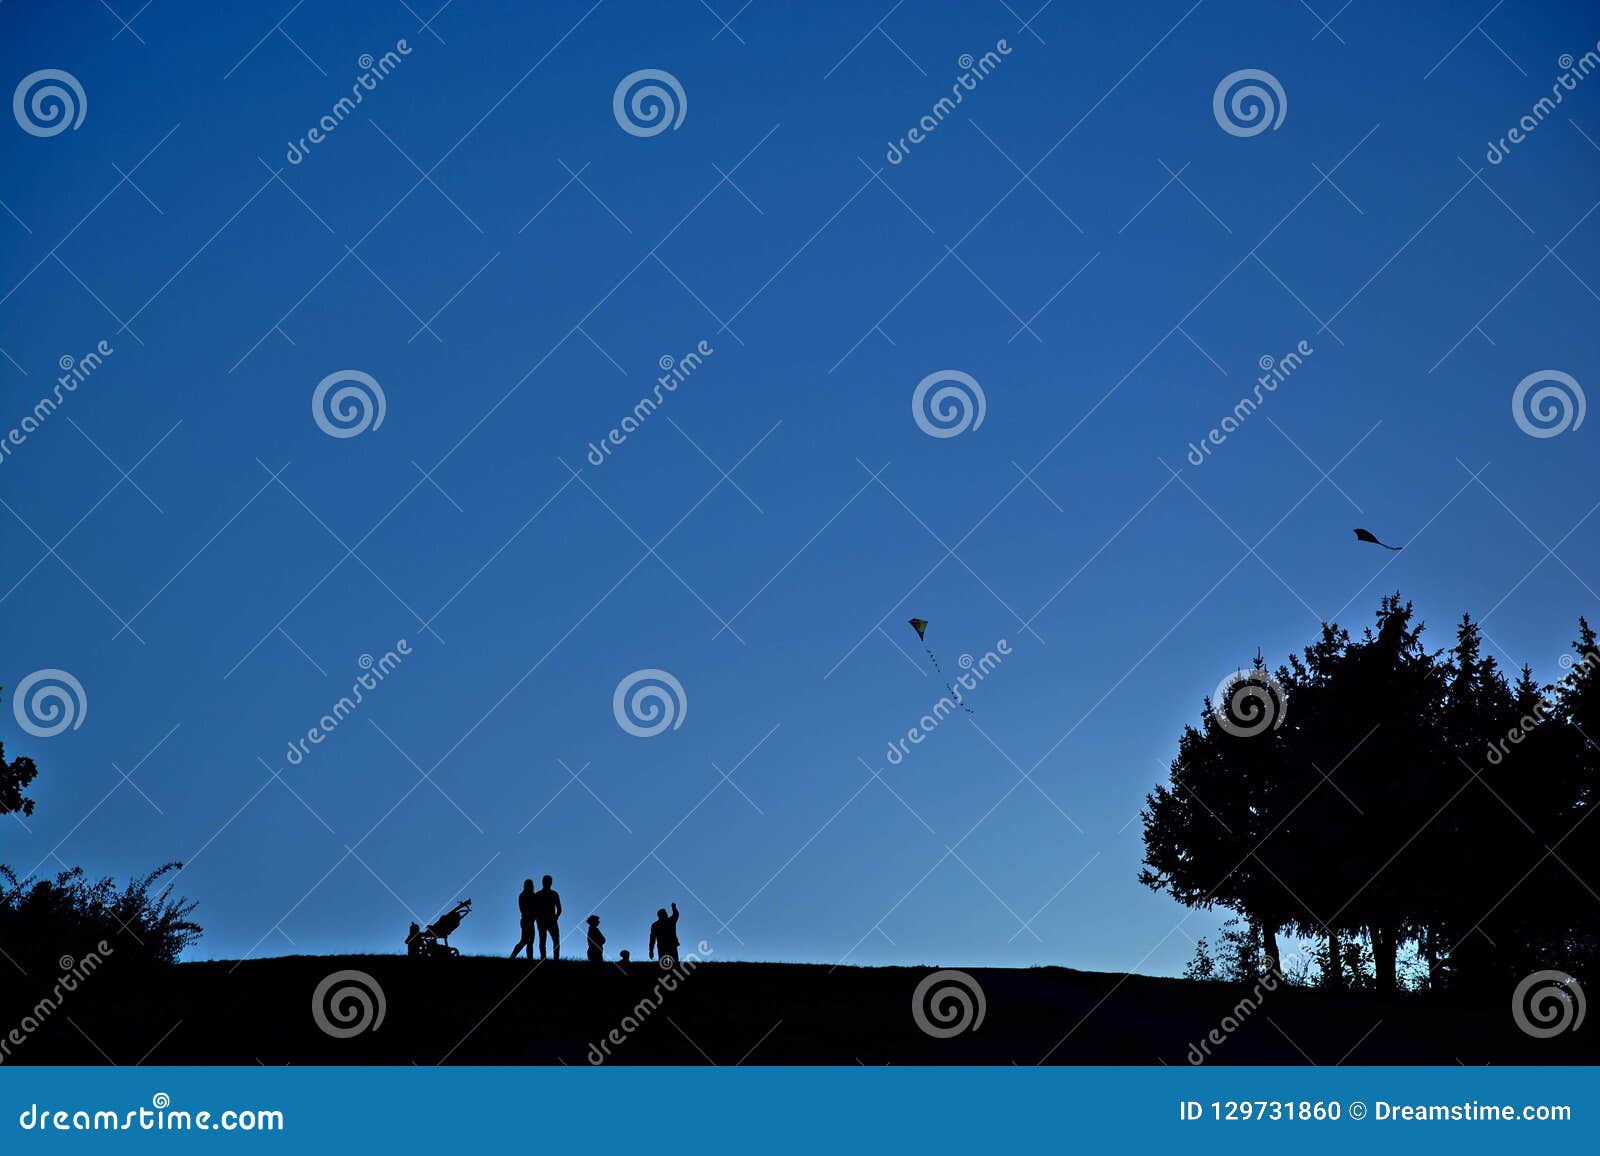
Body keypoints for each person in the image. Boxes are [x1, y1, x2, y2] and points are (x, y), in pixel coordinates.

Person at [533, 874, 562, 960]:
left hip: (549, 920)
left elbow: (559, 909)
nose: (547, 883)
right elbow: (534, 908)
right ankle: (545, 958)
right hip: (544, 920)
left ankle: (553, 958)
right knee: (544, 940)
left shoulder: (552, 894)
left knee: (552, 940)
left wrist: (556, 917)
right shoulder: (539, 894)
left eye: (548, 882)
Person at [510, 879, 537, 960]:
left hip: (528, 920)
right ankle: (514, 956)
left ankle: (528, 959)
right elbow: (524, 909)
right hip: (527, 920)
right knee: (526, 941)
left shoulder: (524, 895)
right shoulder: (525, 895)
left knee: (528, 941)